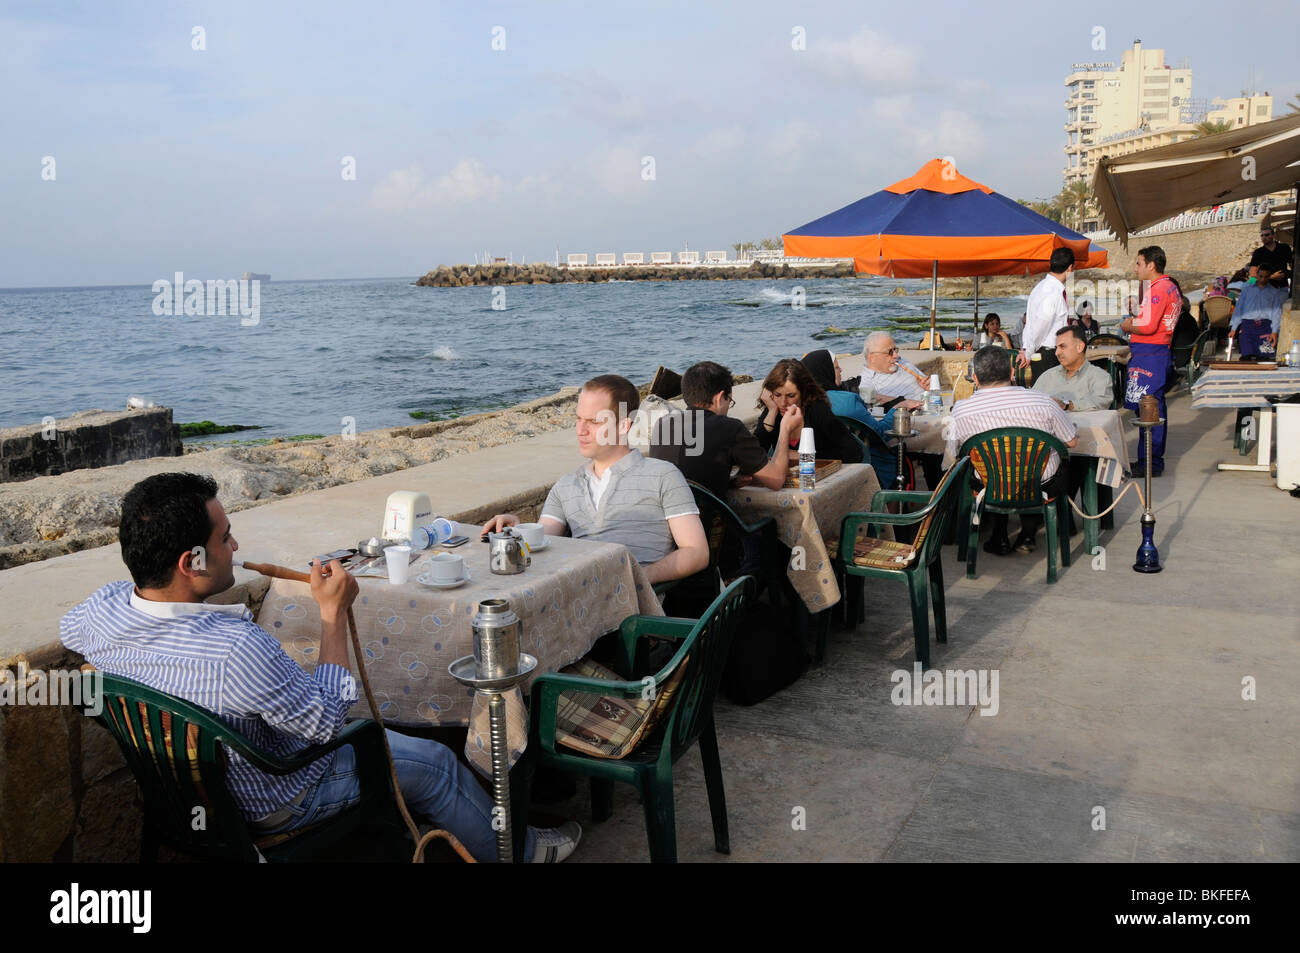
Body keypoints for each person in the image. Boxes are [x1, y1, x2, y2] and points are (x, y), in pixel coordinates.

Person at [59, 472, 581, 863]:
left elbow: (73, 642)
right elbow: (327, 723)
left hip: (187, 798)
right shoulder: (232, 649)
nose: (236, 547)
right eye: (224, 538)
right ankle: (522, 852)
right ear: (190, 562)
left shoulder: (101, 610)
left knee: (397, 742)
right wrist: (332, 614)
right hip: (276, 796)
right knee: (435, 764)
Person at [483, 374, 709, 585]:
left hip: (634, 616)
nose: (581, 430)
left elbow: (696, 552)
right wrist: (516, 530)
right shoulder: (566, 485)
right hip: (577, 596)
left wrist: (634, 578)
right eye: (579, 419)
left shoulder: (663, 475)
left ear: (624, 425)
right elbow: (538, 544)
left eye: (594, 421)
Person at [946, 346, 1078, 555]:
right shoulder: (1043, 401)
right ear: (1012, 373)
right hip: (1041, 485)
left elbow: (952, 456)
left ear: (975, 378)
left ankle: (999, 534)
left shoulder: (961, 410)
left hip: (989, 486)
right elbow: (1071, 442)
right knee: (1054, 467)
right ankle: (1027, 532)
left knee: (993, 470)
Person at [649, 360, 798, 497]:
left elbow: (685, 477)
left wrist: (728, 482)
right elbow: (776, 480)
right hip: (706, 522)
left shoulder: (663, 424)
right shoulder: (730, 428)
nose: (728, 407)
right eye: (729, 401)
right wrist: (785, 429)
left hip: (664, 519)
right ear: (720, 398)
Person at [1119, 245, 1180, 477]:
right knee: (1152, 407)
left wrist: (1127, 325)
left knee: (1148, 409)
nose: (1135, 269)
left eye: (1138, 264)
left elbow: (1148, 326)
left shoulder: (1159, 289)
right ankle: (1149, 460)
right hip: (1157, 350)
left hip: (1150, 353)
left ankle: (1150, 463)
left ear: (1151, 265)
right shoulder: (1169, 287)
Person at [801, 348, 900, 487]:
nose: (841, 370)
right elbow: (880, 432)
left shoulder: (802, 400)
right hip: (864, 462)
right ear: (825, 371)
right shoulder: (848, 400)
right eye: (836, 367)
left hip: (819, 465)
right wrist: (897, 409)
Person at [754, 358, 863, 466]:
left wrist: (802, 456)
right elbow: (754, 455)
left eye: (791, 396)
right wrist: (772, 412)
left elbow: (854, 452)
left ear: (803, 392)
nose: (783, 403)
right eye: (777, 395)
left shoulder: (817, 410)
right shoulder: (774, 409)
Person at [1032, 325, 1114, 412]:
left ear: (1080, 347)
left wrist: (1068, 405)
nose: (1057, 353)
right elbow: (1031, 399)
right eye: (1056, 348)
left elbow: (1101, 402)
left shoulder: (1099, 376)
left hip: (1083, 425)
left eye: (1062, 347)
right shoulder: (1049, 375)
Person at [1019, 247, 1075, 370]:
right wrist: (1028, 352)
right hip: (1048, 354)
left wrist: (1026, 347)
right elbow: (1040, 325)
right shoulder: (1052, 292)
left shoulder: (1040, 287)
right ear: (1070, 268)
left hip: (1045, 352)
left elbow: (1030, 323)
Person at [1229, 269, 1290, 358]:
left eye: (1265, 277)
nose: (1262, 279)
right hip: (1247, 327)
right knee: (1246, 356)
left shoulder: (1274, 292)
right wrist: (1234, 328)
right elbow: (1239, 309)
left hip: (1265, 328)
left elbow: (1276, 313)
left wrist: (1274, 332)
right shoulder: (1247, 290)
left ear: (1269, 277)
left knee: (1265, 357)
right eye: (1261, 276)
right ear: (1257, 275)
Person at [858, 331, 928, 405]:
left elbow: (930, 387)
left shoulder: (902, 361)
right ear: (872, 358)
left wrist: (928, 387)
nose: (896, 355)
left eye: (895, 350)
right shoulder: (867, 380)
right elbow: (867, 398)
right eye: (890, 352)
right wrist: (903, 402)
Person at [1248, 224, 1292, 289]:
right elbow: (1253, 274)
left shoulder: (1284, 248)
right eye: (1262, 235)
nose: (1264, 237)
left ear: (1273, 235)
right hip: (1265, 288)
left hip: (1282, 287)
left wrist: (1286, 274)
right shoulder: (1258, 252)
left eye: (1267, 235)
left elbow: (1293, 266)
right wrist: (1271, 277)